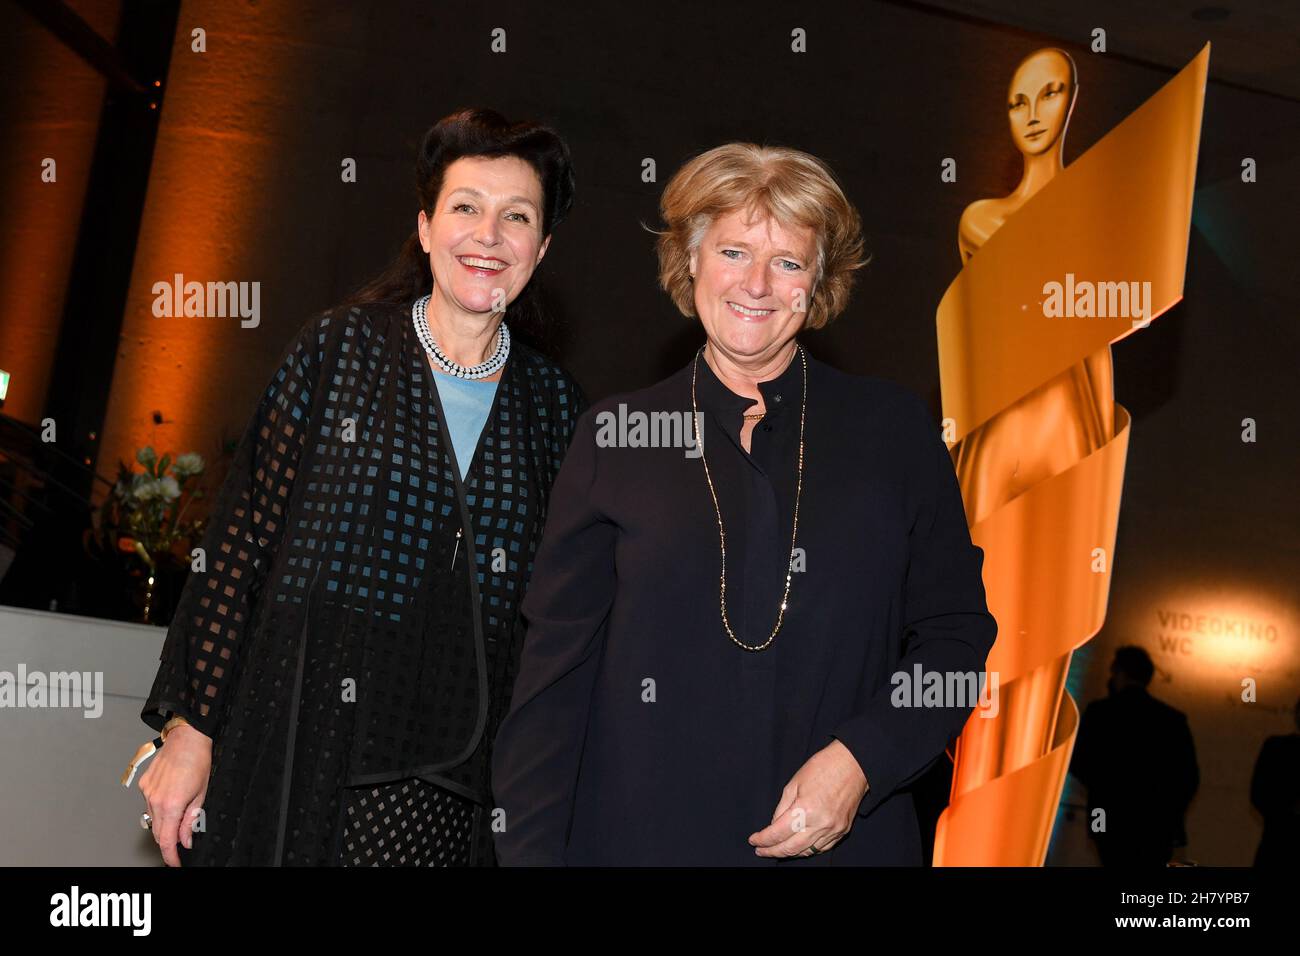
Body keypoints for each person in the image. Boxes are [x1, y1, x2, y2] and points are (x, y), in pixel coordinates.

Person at [491, 142, 998, 865]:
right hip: (640, 843)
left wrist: (862, 759)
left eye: (788, 262)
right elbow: (551, 690)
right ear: (691, 260)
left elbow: (954, 639)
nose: (756, 284)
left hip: (847, 845)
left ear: (817, 283)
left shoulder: (893, 432)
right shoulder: (616, 437)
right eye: (732, 251)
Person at [129, 107, 586, 866]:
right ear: (427, 226)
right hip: (294, 735)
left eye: (517, 217)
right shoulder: (338, 351)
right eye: (466, 207)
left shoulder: (557, 409)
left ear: (540, 248)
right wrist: (189, 730)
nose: (488, 235)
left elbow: (553, 616)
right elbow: (242, 543)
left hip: (447, 773)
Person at [1069, 646, 1200, 866]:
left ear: (1119, 673)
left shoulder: (1100, 713)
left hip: (1108, 818)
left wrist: (1104, 787)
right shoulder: (1172, 720)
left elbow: (1080, 763)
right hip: (1157, 825)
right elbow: (1188, 778)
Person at [1248, 696, 1300, 867]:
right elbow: (1259, 795)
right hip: (1278, 842)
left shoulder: (1276, 748)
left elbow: (1259, 795)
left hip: (1276, 842)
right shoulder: (1276, 748)